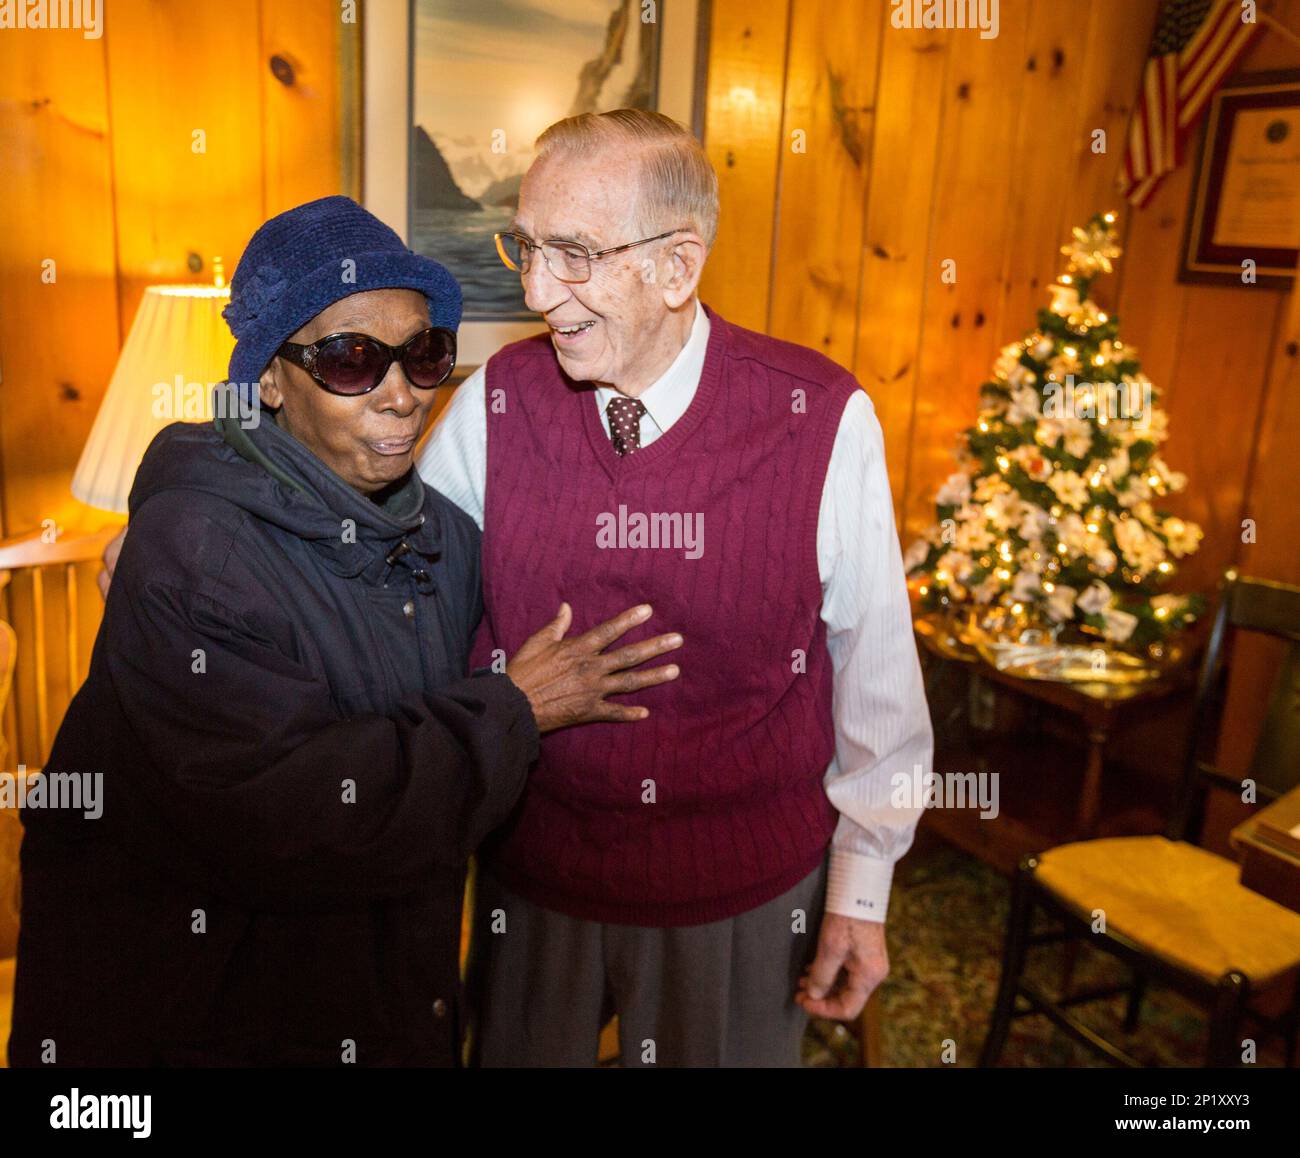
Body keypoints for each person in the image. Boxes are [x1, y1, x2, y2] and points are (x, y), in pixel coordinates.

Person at [10, 195, 681, 1068]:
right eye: (352, 360)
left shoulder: (442, 536)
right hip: (198, 1010)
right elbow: (297, 820)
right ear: (268, 380)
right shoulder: (193, 551)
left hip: (380, 989)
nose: (401, 395)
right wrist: (515, 710)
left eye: (423, 354)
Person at [422, 110, 935, 1067]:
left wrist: (860, 894)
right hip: (534, 881)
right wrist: (219, 540)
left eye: (572, 255)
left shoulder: (819, 418)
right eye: (526, 247)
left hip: (739, 895)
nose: (537, 290)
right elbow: (397, 588)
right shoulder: (493, 404)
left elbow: (874, 675)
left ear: (678, 265)